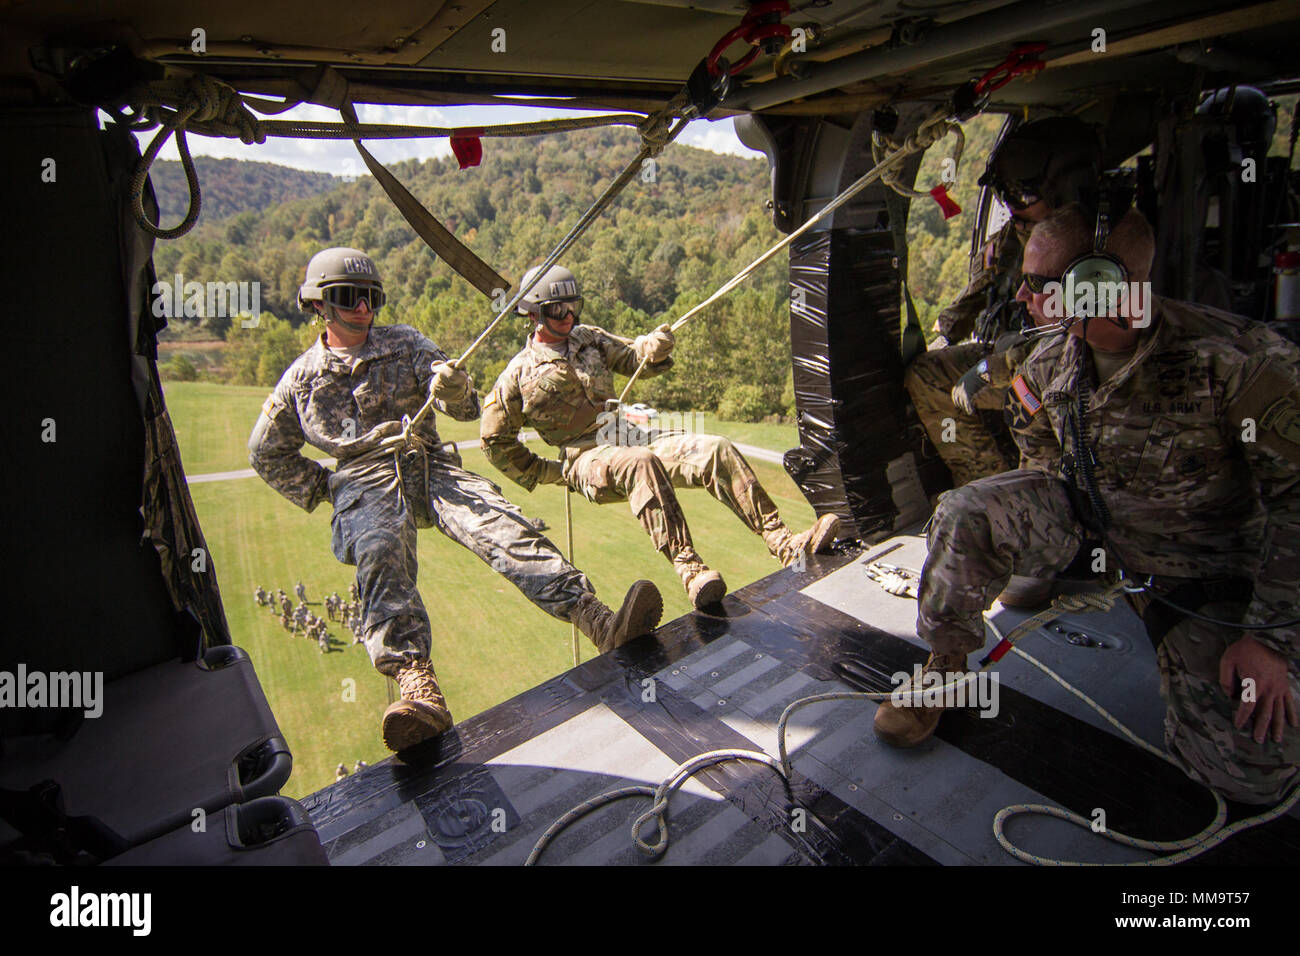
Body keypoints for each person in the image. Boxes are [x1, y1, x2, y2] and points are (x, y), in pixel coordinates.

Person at [874, 204, 1300, 805]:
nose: (1021, 296)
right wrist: (1025, 527)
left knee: (1251, 772)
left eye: (1039, 284)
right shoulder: (1050, 358)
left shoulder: (1238, 362)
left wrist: (1269, 640)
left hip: (1205, 568)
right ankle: (946, 664)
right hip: (1094, 531)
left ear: (1099, 286)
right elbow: (1039, 451)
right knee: (966, 511)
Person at [249, 248, 664, 752]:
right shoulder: (302, 379)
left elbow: (468, 408)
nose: (362, 307)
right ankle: (417, 688)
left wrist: (453, 387)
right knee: (380, 547)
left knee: (503, 527)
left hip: (431, 463)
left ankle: (598, 621)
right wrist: (325, 491)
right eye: (347, 297)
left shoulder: (406, 344)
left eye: (370, 297)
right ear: (319, 306)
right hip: (366, 476)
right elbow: (266, 452)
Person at [480, 264, 840, 609]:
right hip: (585, 458)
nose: (570, 316)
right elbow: (494, 441)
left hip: (628, 435)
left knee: (715, 449)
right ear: (533, 314)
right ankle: (690, 569)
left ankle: (784, 544)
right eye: (559, 309)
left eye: (575, 306)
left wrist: (654, 348)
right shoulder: (517, 376)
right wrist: (546, 472)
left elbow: (635, 358)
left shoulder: (589, 339)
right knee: (641, 463)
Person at [904, 117, 1104, 489]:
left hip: (1066, 375)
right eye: (1005, 196)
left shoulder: (1093, 251)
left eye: (1022, 197)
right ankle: (986, 488)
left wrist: (986, 369)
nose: (1011, 207)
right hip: (1009, 357)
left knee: (1034, 399)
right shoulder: (1013, 237)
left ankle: (1031, 495)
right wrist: (945, 333)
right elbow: (979, 290)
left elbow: (1075, 347)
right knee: (926, 374)